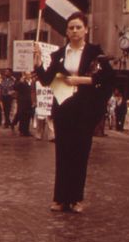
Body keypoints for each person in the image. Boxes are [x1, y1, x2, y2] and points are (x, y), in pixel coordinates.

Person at [33, 12, 115, 213]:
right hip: (63, 107)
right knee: (63, 153)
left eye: (78, 27)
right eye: (71, 28)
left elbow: (109, 81)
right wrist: (37, 62)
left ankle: (77, 198)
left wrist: (82, 80)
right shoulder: (60, 54)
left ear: (86, 29)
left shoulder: (96, 53)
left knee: (80, 153)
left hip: (85, 109)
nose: (75, 31)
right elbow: (46, 79)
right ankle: (60, 198)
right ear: (66, 31)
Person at [13, 71, 34, 136]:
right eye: (28, 74)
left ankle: (26, 131)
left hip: (30, 102)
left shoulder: (32, 82)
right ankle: (21, 131)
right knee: (22, 116)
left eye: (30, 74)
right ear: (25, 75)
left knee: (28, 116)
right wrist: (20, 81)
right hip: (22, 102)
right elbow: (15, 87)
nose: (29, 75)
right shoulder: (22, 82)